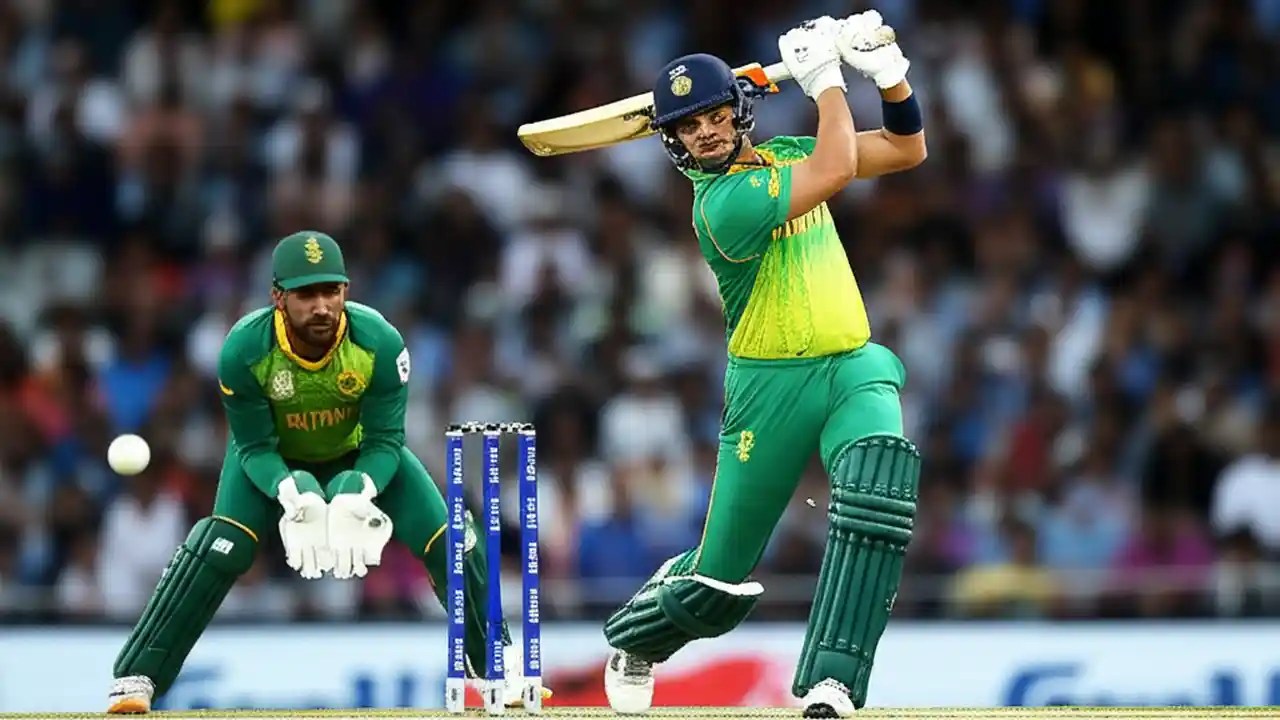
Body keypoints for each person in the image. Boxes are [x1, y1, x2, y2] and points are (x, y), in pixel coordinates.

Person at [601, 12, 927, 718]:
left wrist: (890, 76)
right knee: (719, 585)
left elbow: (906, 150)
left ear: (737, 110)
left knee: (879, 485)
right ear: (675, 142)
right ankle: (636, 639)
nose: (706, 133)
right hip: (768, 388)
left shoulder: (783, 153)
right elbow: (838, 167)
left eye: (714, 114)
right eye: (688, 127)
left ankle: (833, 685)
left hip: (851, 368)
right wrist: (826, 79)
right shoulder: (720, 206)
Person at [106, 231, 548, 713]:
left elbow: (385, 441)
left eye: (330, 291)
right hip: (273, 459)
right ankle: (136, 679)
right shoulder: (243, 351)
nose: (321, 306)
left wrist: (358, 489)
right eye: (305, 294)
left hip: (360, 455)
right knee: (219, 547)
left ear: (347, 290)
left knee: (454, 539)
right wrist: (291, 490)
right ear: (277, 297)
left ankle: (498, 675)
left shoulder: (378, 341)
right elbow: (253, 446)